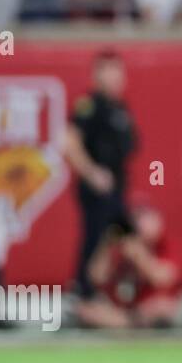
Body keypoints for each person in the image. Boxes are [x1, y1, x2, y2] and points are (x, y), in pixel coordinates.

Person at [63, 50, 136, 300]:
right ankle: (82, 290)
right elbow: (70, 142)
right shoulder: (90, 106)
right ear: (97, 74)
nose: (116, 77)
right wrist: (92, 173)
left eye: (118, 70)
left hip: (117, 188)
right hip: (98, 189)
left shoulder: (120, 107)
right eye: (109, 70)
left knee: (121, 237)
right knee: (95, 237)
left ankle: (113, 290)